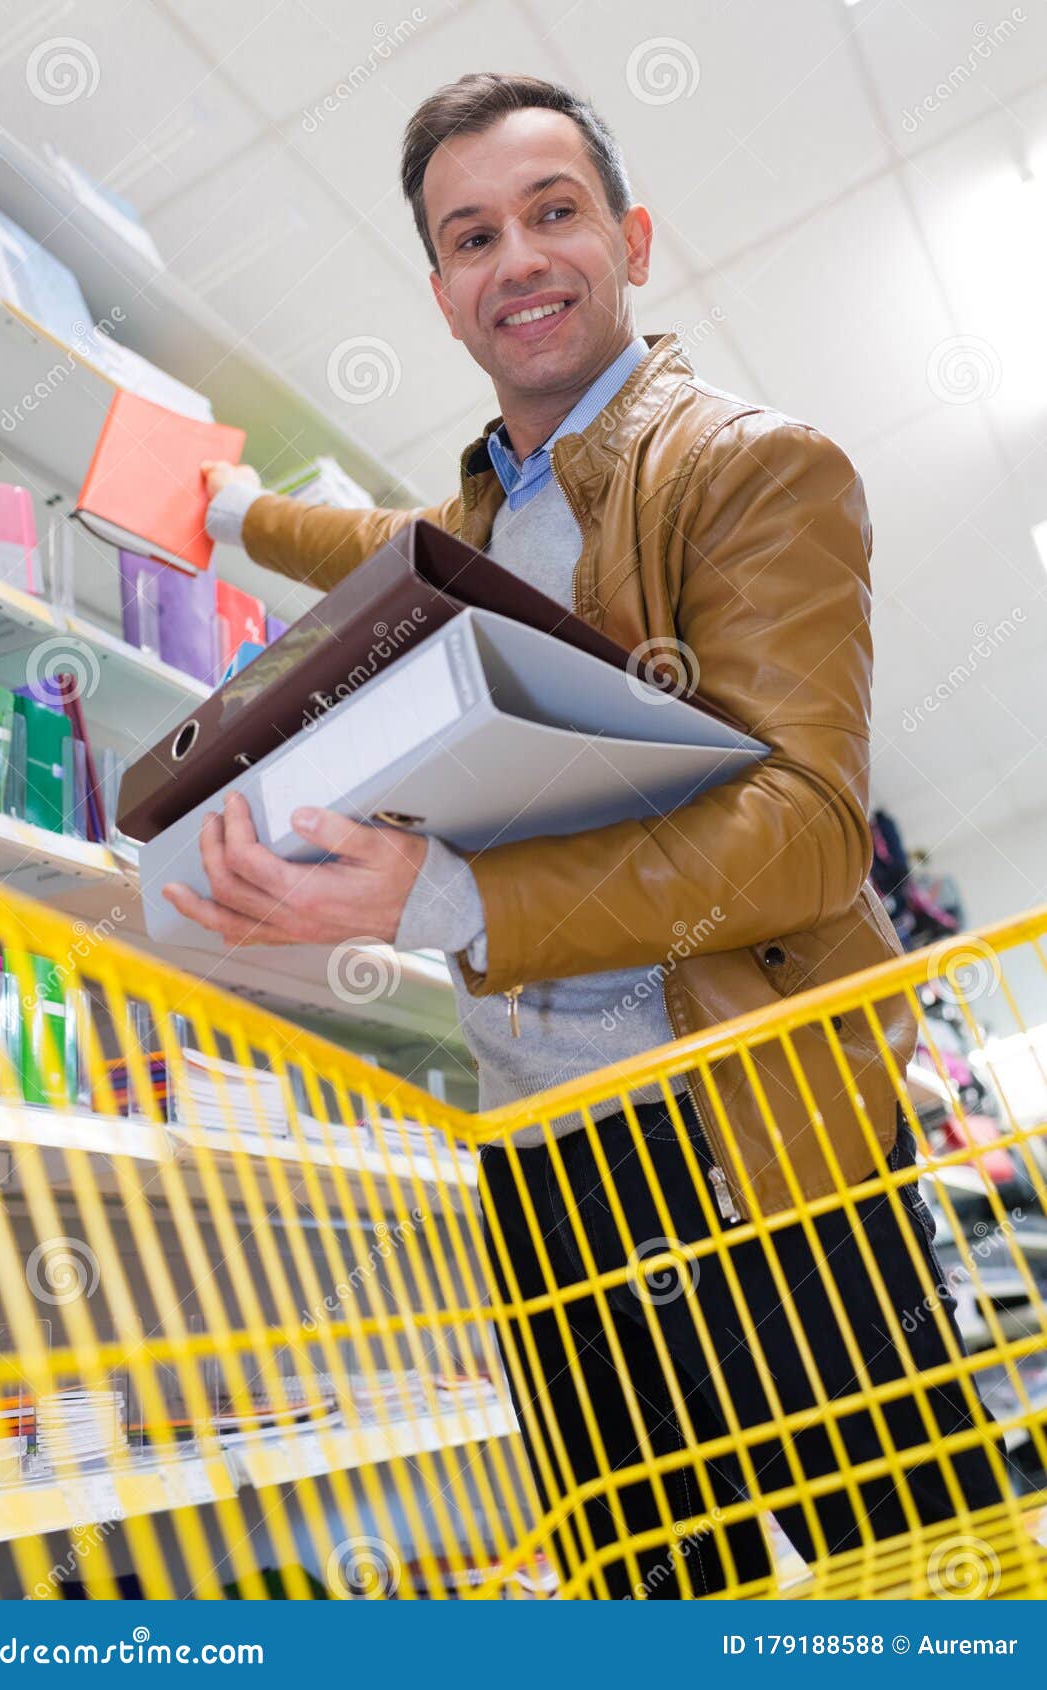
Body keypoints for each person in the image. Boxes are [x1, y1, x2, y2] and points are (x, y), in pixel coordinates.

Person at [169, 72, 1009, 1596]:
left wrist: (443, 895)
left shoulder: (753, 469)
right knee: (642, 1594)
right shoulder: (484, 522)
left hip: (758, 1144)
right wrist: (226, 514)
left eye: (553, 214)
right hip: (550, 1178)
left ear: (629, 235)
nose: (520, 259)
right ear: (441, 296)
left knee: (919, 1584)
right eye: (473, 235)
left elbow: (813, 835)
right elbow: (372, 545)